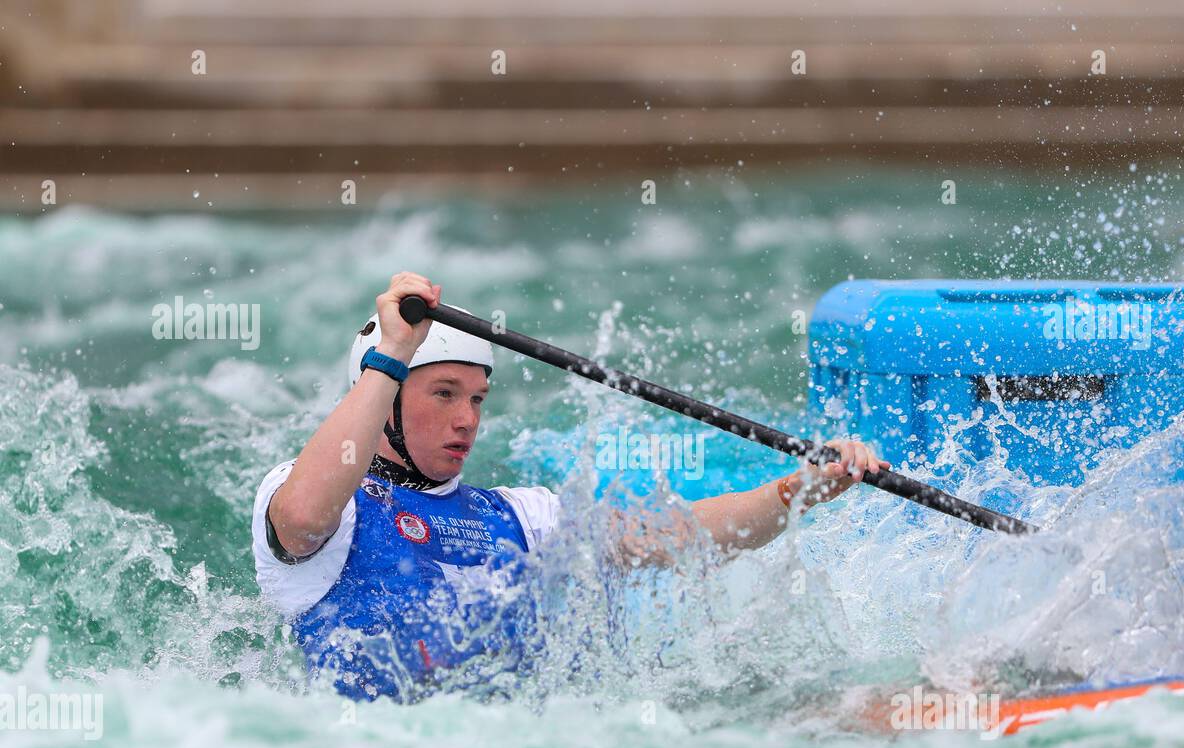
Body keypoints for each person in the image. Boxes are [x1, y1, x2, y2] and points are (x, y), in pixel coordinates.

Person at [251, 273, 888, 701]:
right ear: (382, 396)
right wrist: (391, 352)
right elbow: (305, 517)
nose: (467, 418)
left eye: (477, 398)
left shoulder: (523, 514)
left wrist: (799, 488)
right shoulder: (315, 502)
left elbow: (678, 536)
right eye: (443, 394)